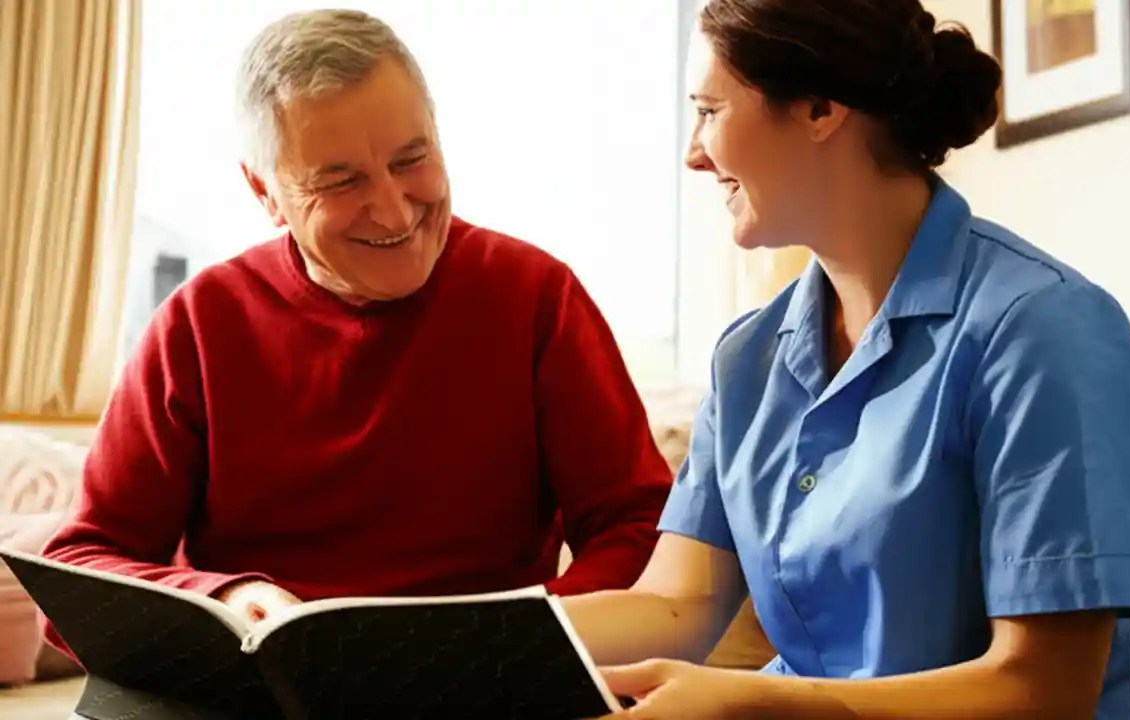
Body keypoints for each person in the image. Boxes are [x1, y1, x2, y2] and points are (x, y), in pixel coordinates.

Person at [565, 1, 1130, 718]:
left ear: (820, 108)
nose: (694, 152)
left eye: (709, 111)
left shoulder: (1043, 331)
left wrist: (751, 703)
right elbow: (676, 603)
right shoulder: (747, 358)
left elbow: (1044, 689)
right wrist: (460, 633)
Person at [41, 8, 671, 634]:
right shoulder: (197, 325)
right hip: (256, 677)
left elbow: (643, 533)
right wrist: (225, 599)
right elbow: (81, 566)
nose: (395, 213)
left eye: (411, 160)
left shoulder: (536, 297)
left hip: (493, 671)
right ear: (265, 193)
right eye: (341, 183)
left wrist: (519, 634)